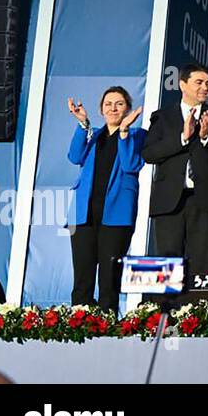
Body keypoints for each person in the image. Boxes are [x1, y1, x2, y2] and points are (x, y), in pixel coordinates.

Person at [143, 62, 208, 277]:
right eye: (199, 82)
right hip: (169, 202)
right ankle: (167, 311)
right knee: (167, 267)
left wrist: (206, 137)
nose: (205, 87)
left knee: (202, 266)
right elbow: (149, 154)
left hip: (205, 201)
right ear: (182, 85)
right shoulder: (163, 117)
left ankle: (196, 311)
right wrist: (183, 138)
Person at [65, 88, 144, 311]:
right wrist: (82, 124)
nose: (113, 108)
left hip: (116, 216)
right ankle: (80, 324)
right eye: (108, 104)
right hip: (82, 215)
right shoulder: (94, 135)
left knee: (109, 279)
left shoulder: (138, 135)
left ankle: (106, 327)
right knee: (82, 275)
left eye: (119, 104)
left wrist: (125, 132)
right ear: (101, 109)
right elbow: (74, 156)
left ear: (127, 109)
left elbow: (131, 165)